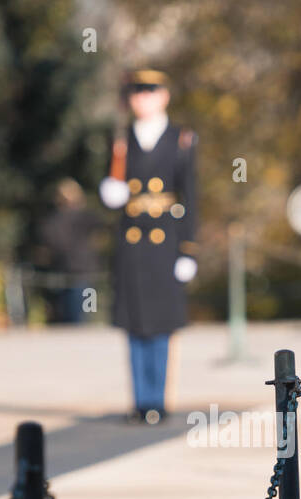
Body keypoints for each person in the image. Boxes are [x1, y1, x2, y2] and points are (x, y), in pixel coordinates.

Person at [99, 69, 198, 425]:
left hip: (165, 242)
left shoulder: (181, 139)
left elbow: (191, 197)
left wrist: (188, 248)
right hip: (132, 243)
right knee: (134, 323)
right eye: (137, 92)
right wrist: (109, 191)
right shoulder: (121, 140)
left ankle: (157, 400)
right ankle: (140, 401)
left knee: (161, 324)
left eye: (151, 91)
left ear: (164, 96)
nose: (143, 98)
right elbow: (111, 182)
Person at [39, 178, 101, 325]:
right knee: (79, 321)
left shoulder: (56, 221)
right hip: (74, 276)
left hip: (82, 276)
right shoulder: (78, 218)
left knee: (79, 319)